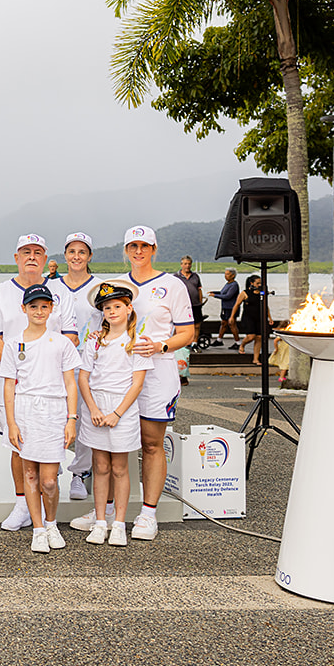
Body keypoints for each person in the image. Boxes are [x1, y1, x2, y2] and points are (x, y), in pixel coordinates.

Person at [0, 235, 79, 532]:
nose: (31, 257)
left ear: (45, 258)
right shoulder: (0, 292)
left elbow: (71, 337)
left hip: (52, 390)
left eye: (37, 252)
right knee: (18, 446)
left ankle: (46, 513)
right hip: (16, 386)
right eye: (26, 252)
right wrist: (19, 371)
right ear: (16, 256)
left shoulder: (60, 293)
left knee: (50, 454)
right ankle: (22, 505)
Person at [113, 225, 194, 541]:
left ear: (154, 249)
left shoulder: (172, 285)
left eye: (144, 246)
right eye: (132, 246)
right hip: (121, 372)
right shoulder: (117, 285)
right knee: (113, 442)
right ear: (126, 250)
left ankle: (148, 513)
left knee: (151, 442)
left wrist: (161, 346)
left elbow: (188, 333)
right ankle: (108, 508)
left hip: (158, 371)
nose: (138, 251)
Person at [0, 283, 80, 554]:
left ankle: (51, 523)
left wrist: (71, 418)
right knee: (30, 474)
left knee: (49, 479)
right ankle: (37, 529)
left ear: (51, 309)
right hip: (24, 412)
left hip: (53, 413)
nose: (39, 311)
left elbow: (71, 383)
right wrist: (11, 422)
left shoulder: (61, 342)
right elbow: (9, 385)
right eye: (33, 306)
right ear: (24, 309)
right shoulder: (13, 344)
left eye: (44, 306)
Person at [75, 281, 152, 546]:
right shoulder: (94, 342)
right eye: (107, 307)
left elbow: (137, 383)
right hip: (96, 408)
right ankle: (100, 521)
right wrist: (94, 409)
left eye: (117, 306)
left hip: (123, 409)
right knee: (100, 466)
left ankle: (119, 523)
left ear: (129, 308)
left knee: (120, 467)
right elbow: (83, 378)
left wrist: (117, 413)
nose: (112, 311)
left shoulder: (136, 342)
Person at [57, 233, 102, 502]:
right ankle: (51, 469)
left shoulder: (99, 287)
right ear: (65, 255)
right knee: (55, 416)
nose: (76, 256)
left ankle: (80, 472)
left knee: (85, 419)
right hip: (57, 363)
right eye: (72, 251)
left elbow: (111, 318)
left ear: (89, 256)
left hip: (89, 362)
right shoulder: (53, 286)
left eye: (82, 252)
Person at [232, 273, 266, 364]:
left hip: (259, 317)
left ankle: (256, 359)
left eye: (260, 283)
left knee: (259, 337)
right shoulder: (245, 293)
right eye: (257, 283)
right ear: (252, 283)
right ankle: (242, 345)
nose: (259, 285)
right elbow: (236, 305)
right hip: (248, 317)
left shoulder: (262, 293)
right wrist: (232, 317)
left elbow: (266, 306)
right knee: (251, 336)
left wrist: (269, 318)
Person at [212, 268, 241, 348]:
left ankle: (238, 342)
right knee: (224, 323)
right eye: (225, 274)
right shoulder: (228, 284)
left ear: (233, 275)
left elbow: (228, 296)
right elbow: (222, 293)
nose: (225, 276)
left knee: (232, 324)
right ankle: (219, 340)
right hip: (225, 307)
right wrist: (214, 292)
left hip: (232, 308)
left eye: (227, 274)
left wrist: (215, 296)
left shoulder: (234, 285)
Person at [177, 256, 204, 327]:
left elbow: (199, 290)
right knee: (184, 326)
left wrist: (200, 303)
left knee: (197, 325)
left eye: (189, 264)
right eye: (185, 264)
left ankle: (195, 338)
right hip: (182, 306)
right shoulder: (176, 277)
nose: (187, 266)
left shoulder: (196, 276)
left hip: (196, 305)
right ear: (181, 265)